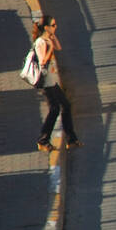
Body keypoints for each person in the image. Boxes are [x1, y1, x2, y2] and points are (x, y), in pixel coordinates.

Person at [33, 16, 81, 151]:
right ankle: (43, 140)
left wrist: (53, 39)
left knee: (65, 105)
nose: (55, 27)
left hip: (52, 80)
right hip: (47, 81)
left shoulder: (48, 39)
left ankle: (71, 139)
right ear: (46, 27)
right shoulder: (41, 42)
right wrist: (49, 48)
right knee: (55, 109)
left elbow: (59, 48)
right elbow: (43, 61)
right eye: (53, 25)